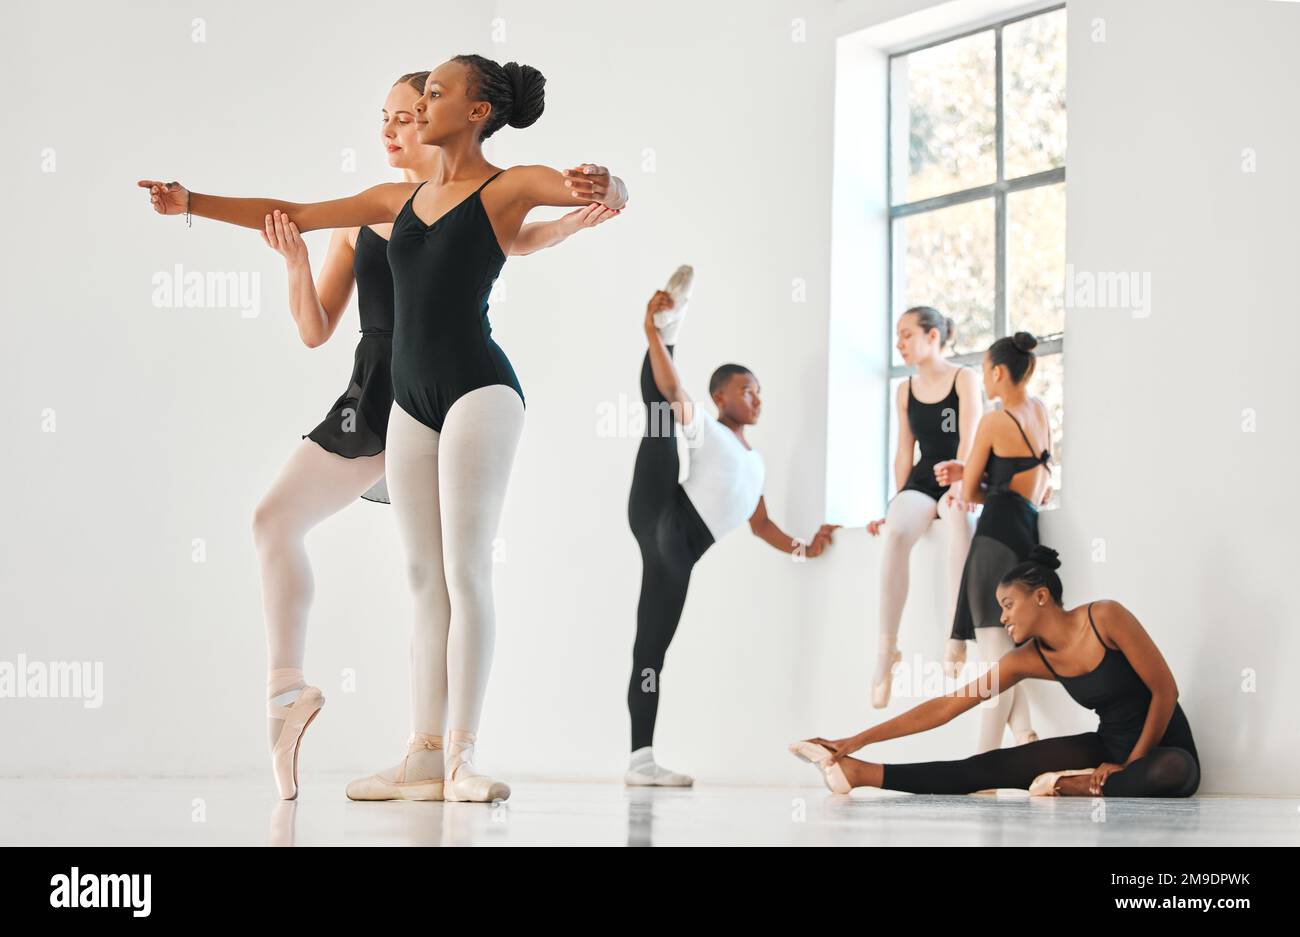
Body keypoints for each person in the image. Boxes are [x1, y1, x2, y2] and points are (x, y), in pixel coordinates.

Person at [140, 53, 629, 802]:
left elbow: (589, 191)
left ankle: (465, 757)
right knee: (421, 578)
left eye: (433, 94)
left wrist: (606, 185)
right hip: (407, 401)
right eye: (414, 95)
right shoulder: (389, 201)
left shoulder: (508, 184)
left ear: (475, 112)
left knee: (466, 571)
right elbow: (292, 211)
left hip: (480, 389)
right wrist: (190, 203)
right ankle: (423, 754)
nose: (415, 106)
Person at [626, 267, 837, 786]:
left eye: (761, 391)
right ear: (722, 397)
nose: (758, 399)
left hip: (679, 553)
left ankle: (640, 762)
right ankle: (668, 328)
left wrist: (804, 550)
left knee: (651, 651)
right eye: (749, 390)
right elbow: (672, 389)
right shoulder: (710, 432)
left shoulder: (755, 463)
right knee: (659, 415)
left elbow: (761, 525)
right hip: (660, 512)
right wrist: (653, 335)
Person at [790, 546, 1200, 798]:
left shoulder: (1105, 617)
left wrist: (1133, 762)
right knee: (987, 766)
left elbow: (1166, 691)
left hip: (1163, 748)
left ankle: (1067, 785)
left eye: (1007, 604)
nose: (1001, 617)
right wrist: (858, 740)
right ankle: (861, 774)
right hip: (1107, 746)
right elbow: (948, 706)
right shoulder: (1027, 659)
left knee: (1172, 773)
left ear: (1041, 597)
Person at [866, 307, 980, 708]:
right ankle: (887, 650)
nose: (900, 343)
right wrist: (897, 499)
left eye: (907, 334)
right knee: (895, 532)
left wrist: (962, 482)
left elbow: (970, 437)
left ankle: (956, 633)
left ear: (933, 337)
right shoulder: (905, 391)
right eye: (898, 336)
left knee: (958, 522)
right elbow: (903, 451)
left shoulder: (964, 379)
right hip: (922, 480)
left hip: (960, 475)